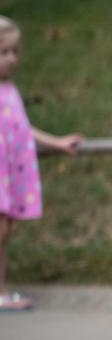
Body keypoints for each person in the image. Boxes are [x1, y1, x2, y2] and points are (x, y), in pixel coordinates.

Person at [0, 16, 83, 313]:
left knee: (5, 228)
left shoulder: (10, 92)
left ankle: (2, 288)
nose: (11, 59)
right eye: (3, 52)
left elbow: (23, 128)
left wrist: (57, 142)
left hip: (8, 172)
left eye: (15, 51)